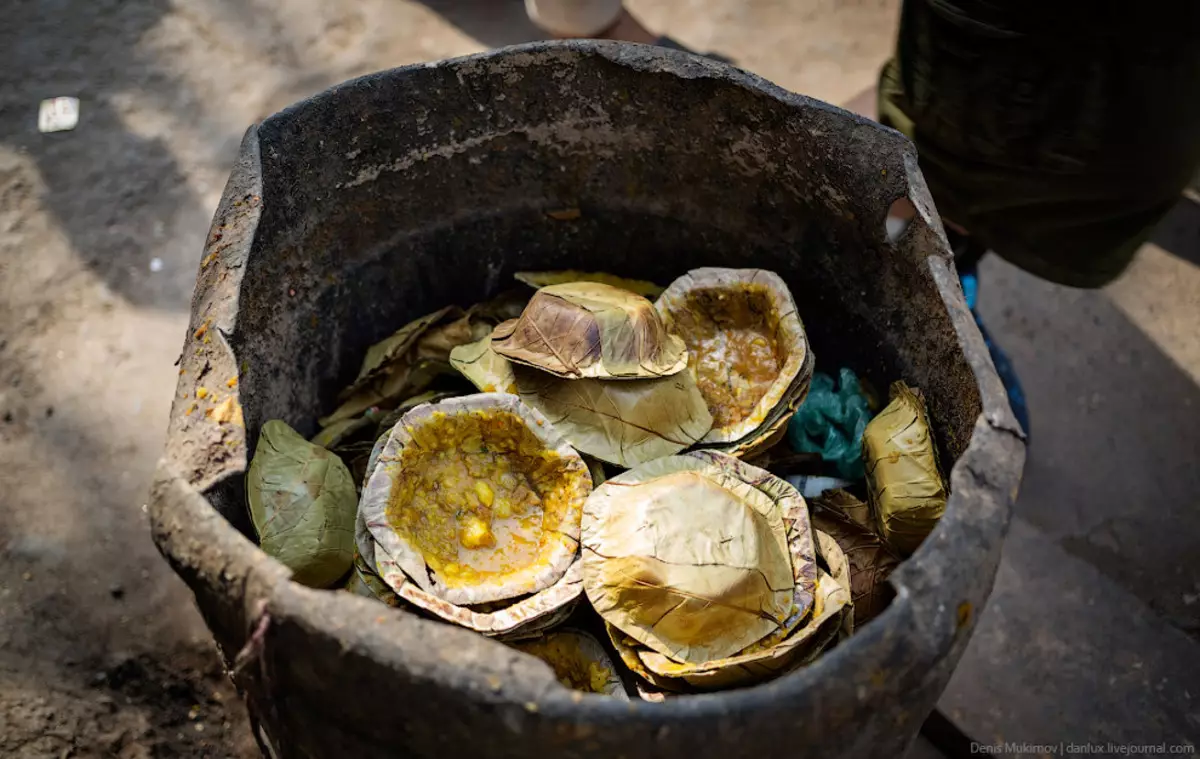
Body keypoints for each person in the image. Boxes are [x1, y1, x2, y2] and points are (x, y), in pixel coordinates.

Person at [525, 0, 1200, 436]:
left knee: (945, 177)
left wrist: (582, 19)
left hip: (1086, 64)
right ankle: (947, 280)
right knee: (942, 165)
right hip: (1114, 69)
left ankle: (944, 299)